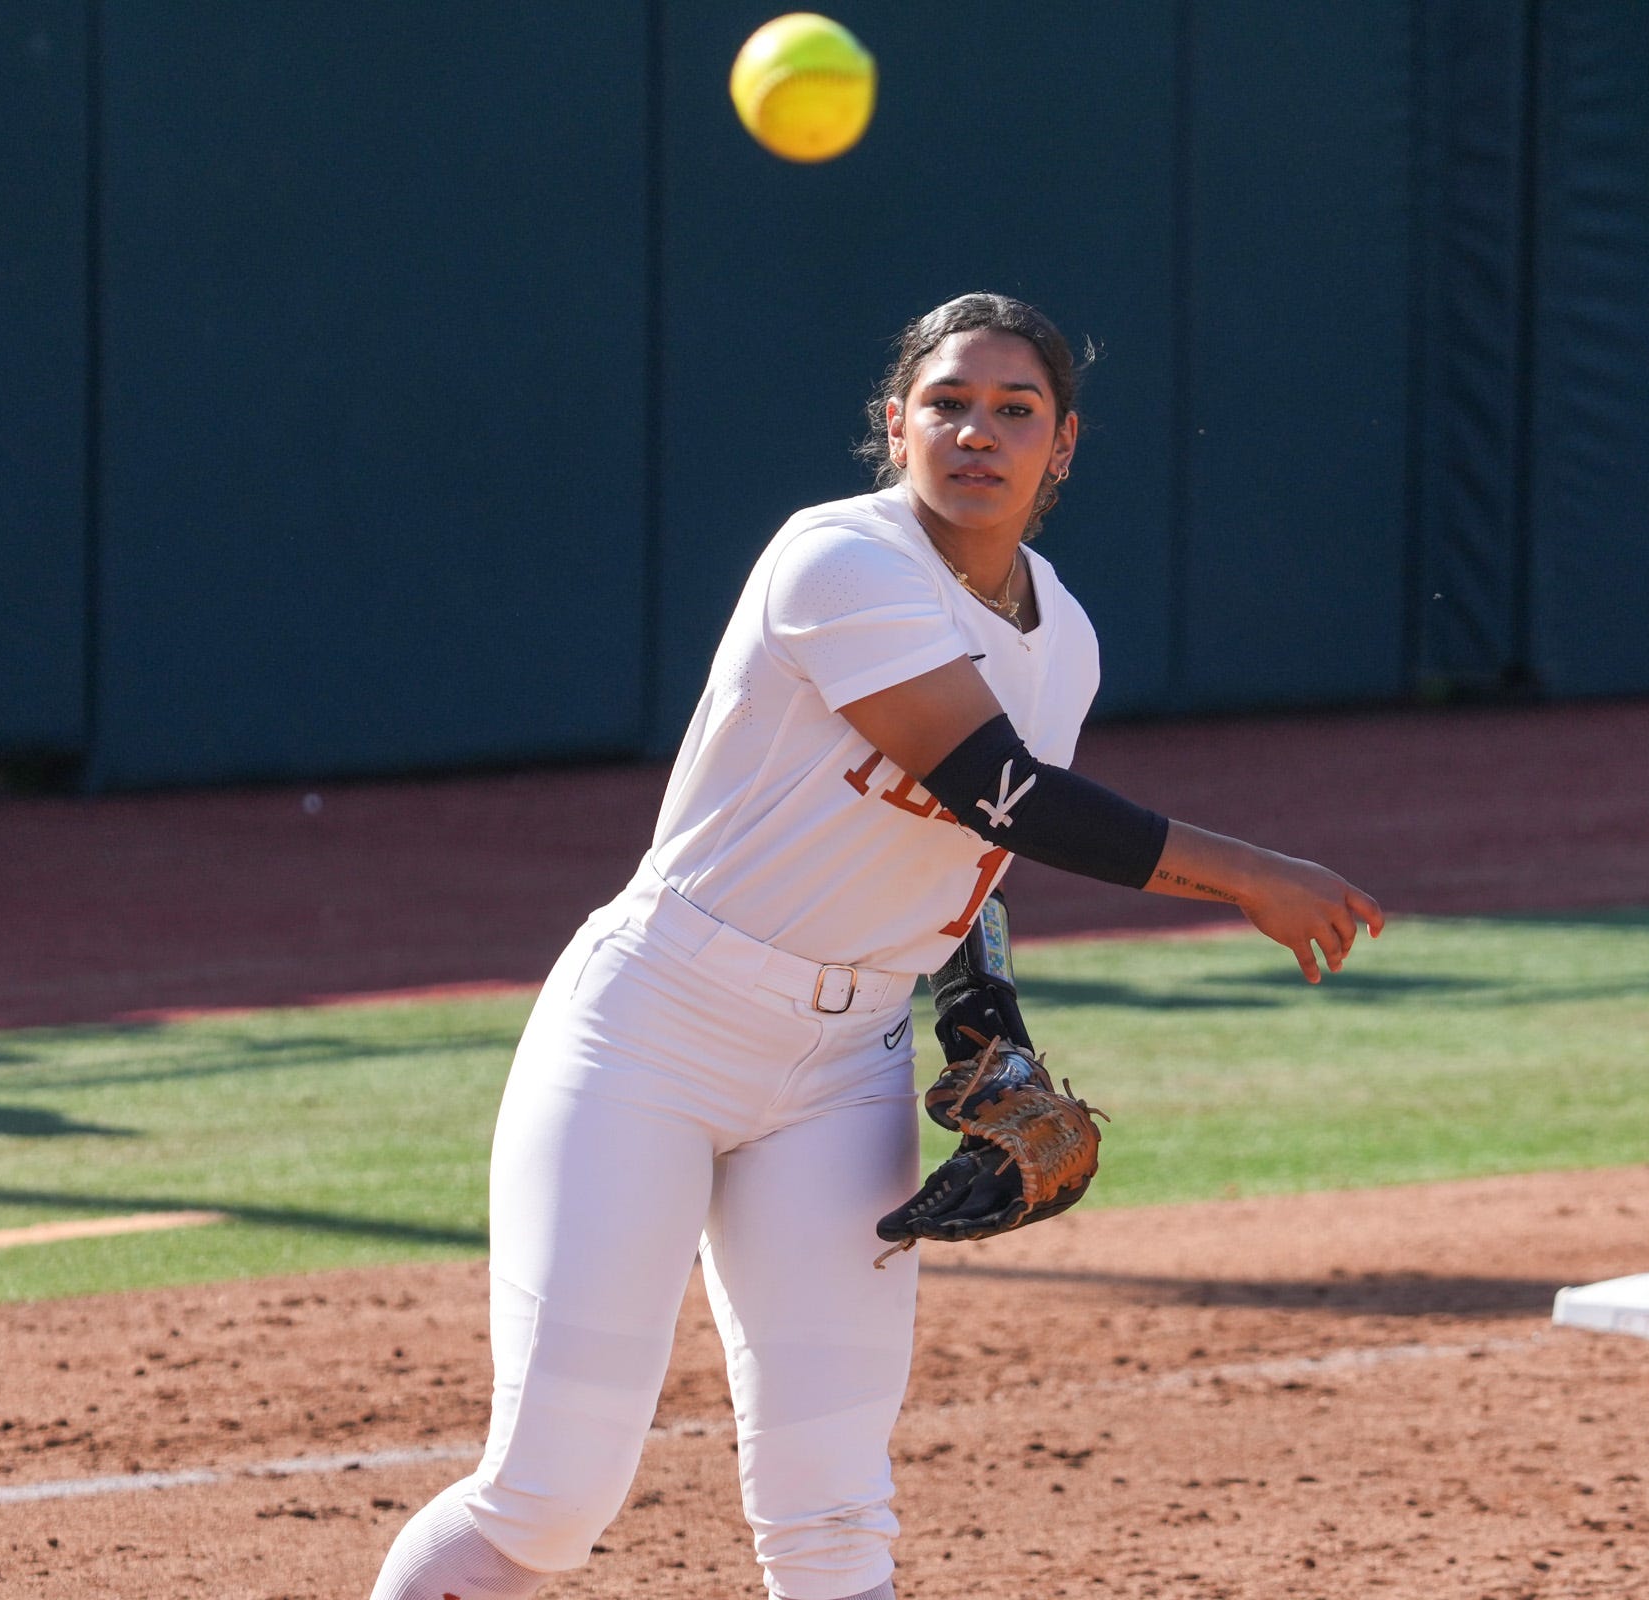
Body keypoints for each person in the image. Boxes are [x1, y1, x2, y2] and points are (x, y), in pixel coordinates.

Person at [369, 292, 1384, 1600]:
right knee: (550, 1496)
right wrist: (1249, 874)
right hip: (653, 1026)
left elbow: (971, 872)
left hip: (846, 1068)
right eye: (948, 403)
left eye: (1015, 409)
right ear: (895, 425)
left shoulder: (1059, 640)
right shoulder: (835, 560)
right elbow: (993, 791)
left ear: (1064, 445)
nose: (978, 431)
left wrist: (989, 1028)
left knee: (837, 1509)